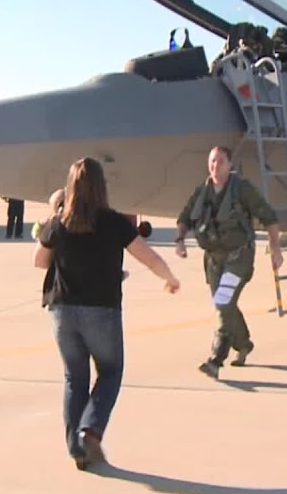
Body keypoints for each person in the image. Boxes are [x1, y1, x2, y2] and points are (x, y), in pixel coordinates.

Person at [34, 157, 181, 470]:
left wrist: (53, 216)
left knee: (75, 378)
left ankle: (75, 444)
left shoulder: (59, 223)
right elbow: (148, 257)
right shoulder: (113, 222)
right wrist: (169, 278)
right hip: (101, 311)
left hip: (63, 311)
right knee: (111, 371)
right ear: (101, 188)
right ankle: (92, 428)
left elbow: (40, 260)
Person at [174, 146, 283, 377]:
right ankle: (244, 344)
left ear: (230, 165)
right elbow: (184, 217)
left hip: (238, 257)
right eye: (212, 161)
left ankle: (215, 360)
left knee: (223, 302)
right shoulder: (202, 192)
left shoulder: (242, 189)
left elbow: (268, 216)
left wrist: (276, 249)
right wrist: (180, 240)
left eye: (220, 162)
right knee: (225, 305)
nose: (215, 166)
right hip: (214, 260)